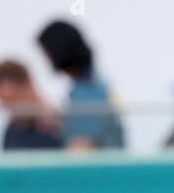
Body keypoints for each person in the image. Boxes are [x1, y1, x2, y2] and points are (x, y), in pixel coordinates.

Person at [36, 20, 126, 150]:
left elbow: (80, 149)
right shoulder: (98, 84)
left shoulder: (87, 92)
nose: (47, 59)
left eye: (47, 53)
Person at [0, 60, 63, 150]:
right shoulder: (12, 131)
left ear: (29, 84)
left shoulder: (61, 124)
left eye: (12, 99)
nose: (7, 107)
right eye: (3, 102)